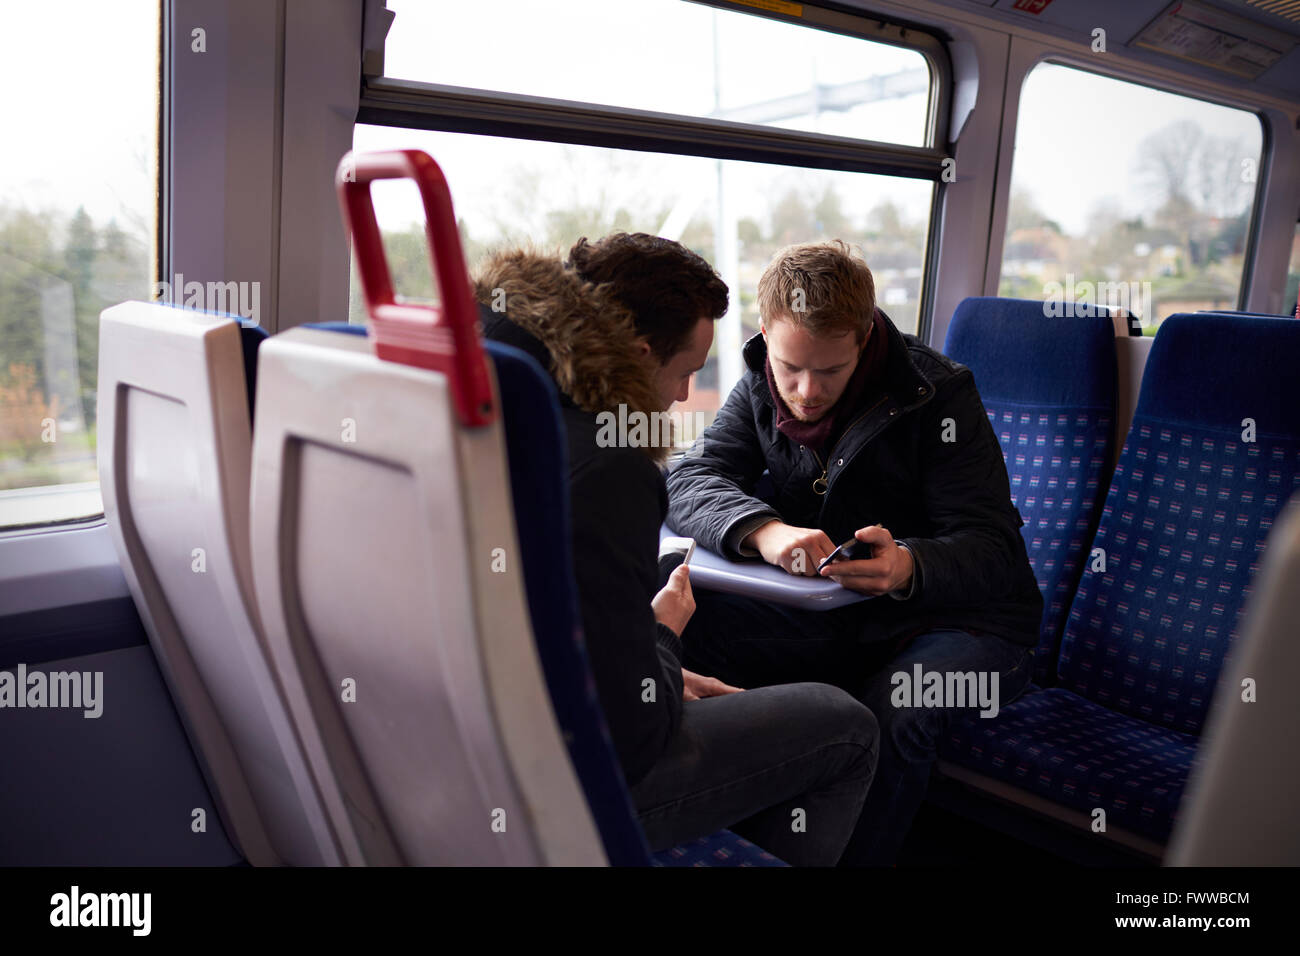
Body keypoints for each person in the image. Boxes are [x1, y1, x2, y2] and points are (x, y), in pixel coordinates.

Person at [474, 232, 877, 866]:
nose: (685, 396)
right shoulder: (609, 467)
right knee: (846, 726)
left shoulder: (484, 395)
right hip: (560, 785)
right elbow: (631, 743)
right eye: (686, 372)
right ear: (637, 355)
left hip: (461, 740)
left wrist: (643, 665)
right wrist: (661, 639)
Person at [665, 239, 1042, 865]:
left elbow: (994, 551)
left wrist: (908, 566)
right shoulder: (761, 382)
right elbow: (691, 477)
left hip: (966, 623)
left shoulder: (939, 395)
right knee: (684, 636)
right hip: (838, 616)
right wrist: (766, 530)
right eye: (791, 368)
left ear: (864, 338)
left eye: (830, 372)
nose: (806, 392)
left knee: (899, 703)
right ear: (766, 336)